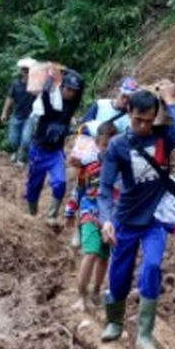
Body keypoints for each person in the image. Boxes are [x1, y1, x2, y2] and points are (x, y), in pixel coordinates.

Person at [98, 83, 175, 349]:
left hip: (155, 218)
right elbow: (104, 189)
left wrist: (169, 98)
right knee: (120, 276)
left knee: (151, 267)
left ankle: (145, 335)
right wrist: (106, 221)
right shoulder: (117, 145)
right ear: (128, 112)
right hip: (125, 217)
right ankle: (114, 320)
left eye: (149, 121)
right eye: (138, 119)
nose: (142, 126)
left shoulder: (165, 137)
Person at [67, 121, 118, 307]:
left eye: (111, 145)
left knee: (104, 256)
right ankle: (81, 294)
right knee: (91, 252)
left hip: (111, 216)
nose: (107, 150)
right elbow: (79, 188)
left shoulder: (120, 166)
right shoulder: (88, 165)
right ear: (97, 143)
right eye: (105, 145)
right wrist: (70, 210)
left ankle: (96, 290)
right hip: (89, 210)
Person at [26, 69, 84, 225]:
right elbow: (45, 91)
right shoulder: (50, 102)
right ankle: (31, 215)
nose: (70, 93)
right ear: (62, 87)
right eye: (68, 89)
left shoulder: (72, 104)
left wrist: (65, 71)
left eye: (73, 91)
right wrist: (52, 77)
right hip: (39, 151)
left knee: (60, 183)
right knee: (34, 186)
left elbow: (81, 82)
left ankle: (51, 216)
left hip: (55, 152)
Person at [1, 58, 37, 164]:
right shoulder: (16, 84)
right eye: (25, 71)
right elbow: (10, 99)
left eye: (29, 71)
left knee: (26, 139)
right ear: (22, 72)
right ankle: (17, 153)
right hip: (17, 115)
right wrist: (4, 113)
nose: (27, 73)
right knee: (13, 140)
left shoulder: (36, 86)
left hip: (30, 116)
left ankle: (23, 157)